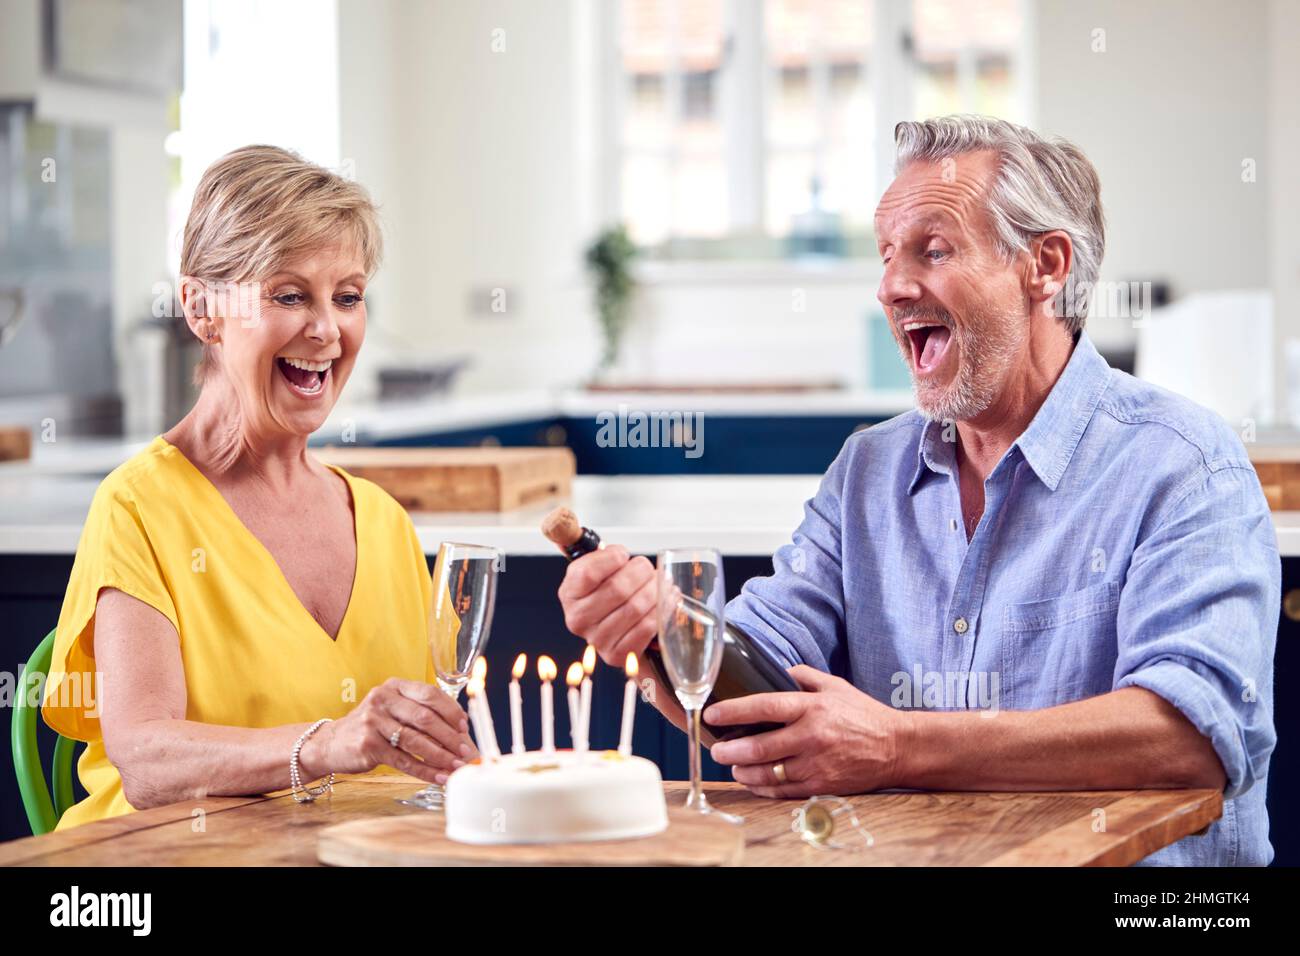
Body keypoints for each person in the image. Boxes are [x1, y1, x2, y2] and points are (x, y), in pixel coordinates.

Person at [558, 116, 1279, 866]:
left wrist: (898, 745)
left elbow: (1190, 737)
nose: (892, 287)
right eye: (886, 257)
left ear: (1047, 265)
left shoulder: (1184, 467)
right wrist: (657, 634)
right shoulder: (866, 470)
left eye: (933, 250)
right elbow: (751, 692)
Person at [42, 146, 475, 829]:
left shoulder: (384, 524)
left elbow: (427, 756)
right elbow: (146, 758)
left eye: (348, 296)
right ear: (202, 307)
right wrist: (328, 743)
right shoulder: (139, 508)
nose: (327, 329)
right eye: (289, 294)